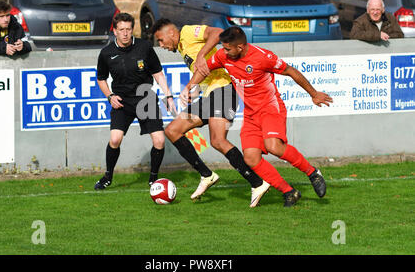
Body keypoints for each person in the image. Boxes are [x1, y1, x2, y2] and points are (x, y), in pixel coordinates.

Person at [181, 26, 332, 207]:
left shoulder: (263, 57)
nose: (224, 52)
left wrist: (313, 94)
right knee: (251, 158)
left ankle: (313, 173)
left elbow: (291, 71)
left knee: (274, 146)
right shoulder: (223, 55)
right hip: (251, 114)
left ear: (241, 47)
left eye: (228, 48)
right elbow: (205, 68)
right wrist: (189, 86)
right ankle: (289, 192)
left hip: (270, 108)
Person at [152, 19, 270, 207]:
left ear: (171, 34)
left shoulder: (188, 31)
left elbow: (218, 32)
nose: (161, 45)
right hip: (210, 95)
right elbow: (205, 71)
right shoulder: (182, 46)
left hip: (224, 89)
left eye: (160, 40)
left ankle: (258, 183)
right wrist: (194, 89)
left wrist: (201, 54)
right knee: (173, 130)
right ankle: (206, 175)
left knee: (217, 140)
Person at [94, 13, 176, 189]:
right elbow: (101, 78)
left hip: (145, 98)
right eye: (121, 30)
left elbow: (157, 73)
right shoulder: (106, 53)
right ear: (114, 31)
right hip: (122, 102)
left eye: (128, 29)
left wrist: (168, 95)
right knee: (115, 140)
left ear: (132, 30)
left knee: (159, 141)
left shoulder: (144, 47)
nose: (125, 33)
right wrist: (109, 96)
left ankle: (153, 179)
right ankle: (108, 176)